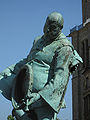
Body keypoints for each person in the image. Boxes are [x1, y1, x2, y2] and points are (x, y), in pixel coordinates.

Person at [0, 12, 83, 120]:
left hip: (44, 101)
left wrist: (39, 96)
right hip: (24, 93)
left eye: (52, 28)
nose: (48, 30)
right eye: (46, 25)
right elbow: (28, 60)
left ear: (60, 28)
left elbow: (60, 78)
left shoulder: (64, 47)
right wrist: (9, 69)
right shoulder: (38, 40)